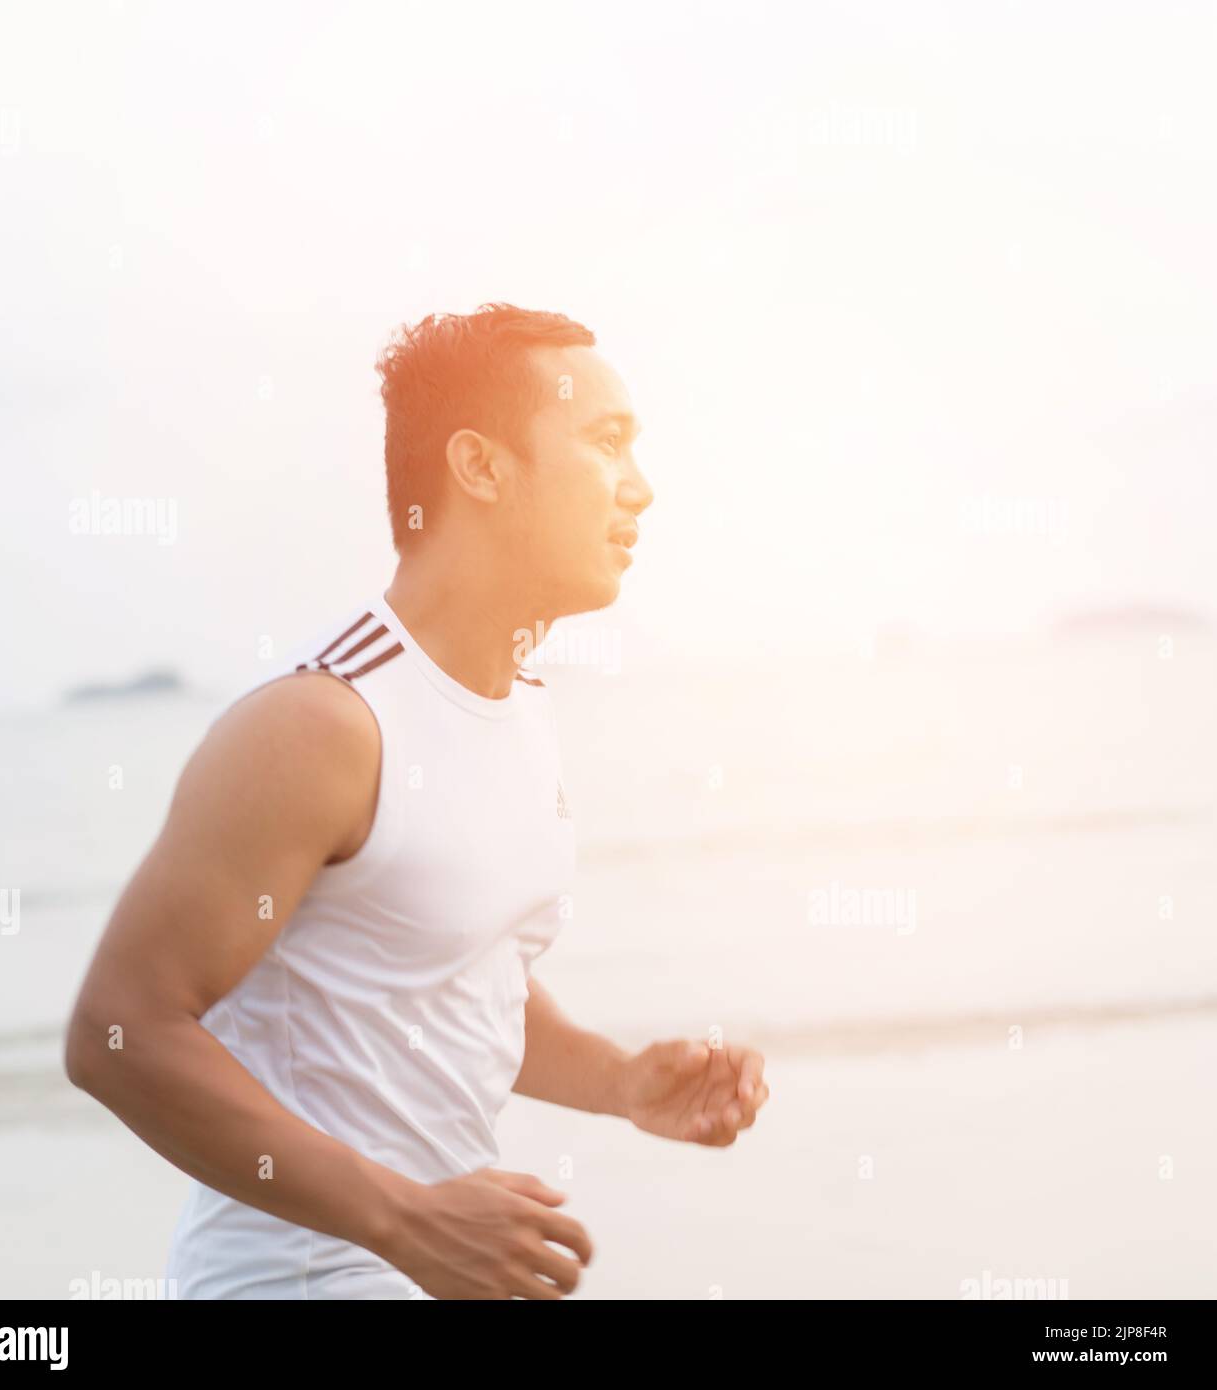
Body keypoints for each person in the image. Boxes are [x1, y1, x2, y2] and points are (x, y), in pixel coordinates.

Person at [64, 302, 770, 1300]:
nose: (641, 489)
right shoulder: (323, 724)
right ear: (480, 468)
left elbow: (445, 971)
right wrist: (403, 1217)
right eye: (605, 444)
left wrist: (617, 1082)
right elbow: (118, 1032)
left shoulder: (516, 708)